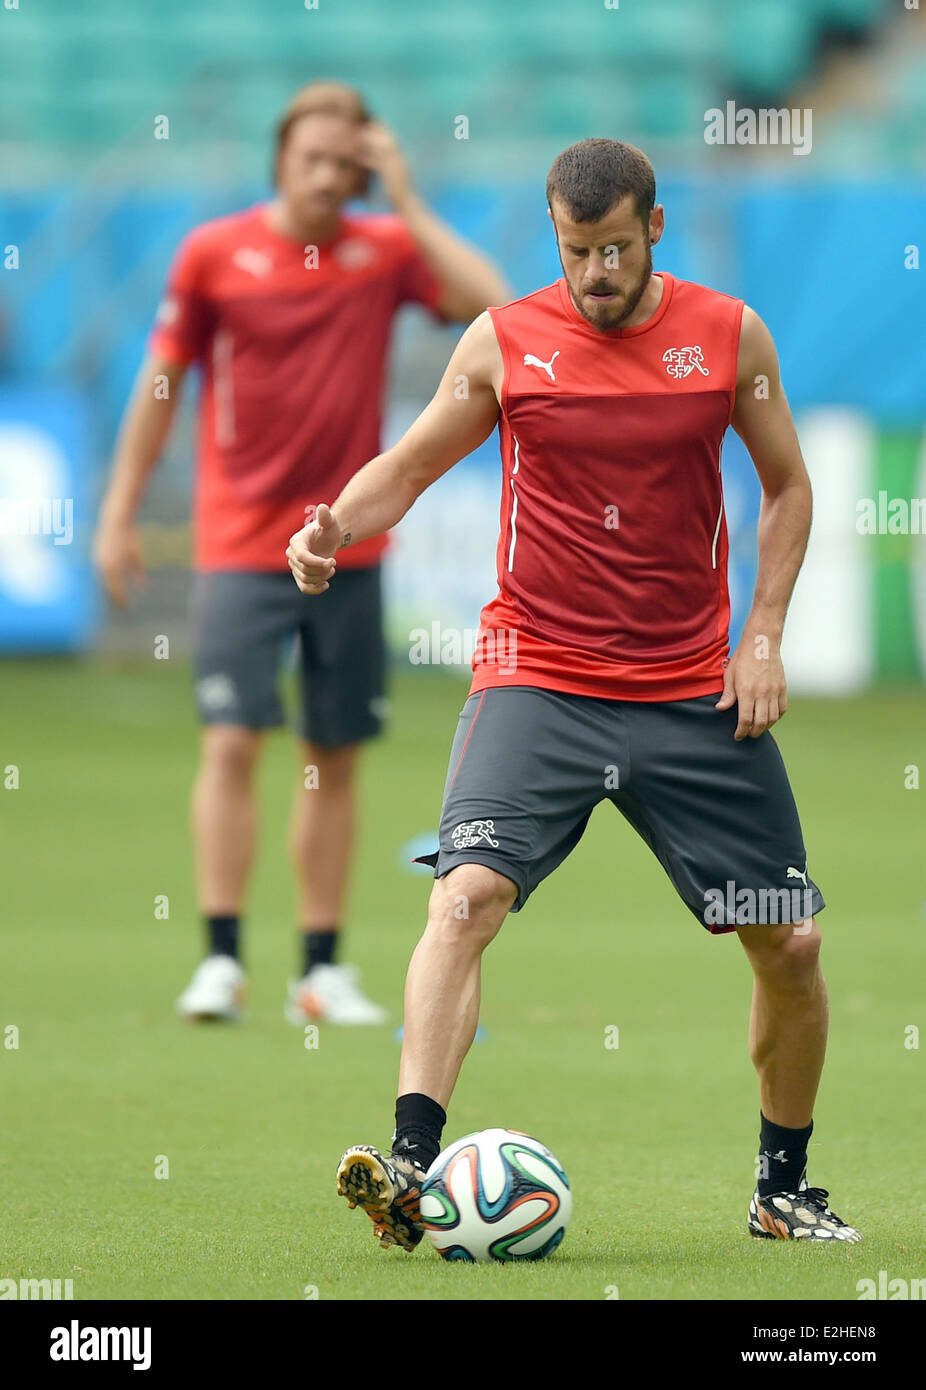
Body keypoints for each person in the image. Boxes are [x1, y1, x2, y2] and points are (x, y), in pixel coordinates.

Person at [287, 138, 861, 1245]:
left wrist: (764, 636)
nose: (592, 273)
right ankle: (409, 1166)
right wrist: (331, 525)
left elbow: (786, 487)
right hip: (535, 681)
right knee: (462, 899)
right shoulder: (505, 342)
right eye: (571, 250)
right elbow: (405, 467)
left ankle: (780, 1188)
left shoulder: (726, 334)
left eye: (610, 249)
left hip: (691, 690)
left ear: (655, 228)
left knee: (786, 945)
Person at [94, 81, 509, 1026]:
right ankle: (222, 961)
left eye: (345, 163)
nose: (328, 176)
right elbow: (160, 386)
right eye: (312, 157)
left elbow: (499, 307)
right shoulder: (214, 255)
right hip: (241, 540)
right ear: (280, 160)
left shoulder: (384, 251)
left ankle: (319, 972)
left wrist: (404, 197)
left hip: (346, 541)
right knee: (233, 738)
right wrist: (119, 507)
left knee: (333, 754)